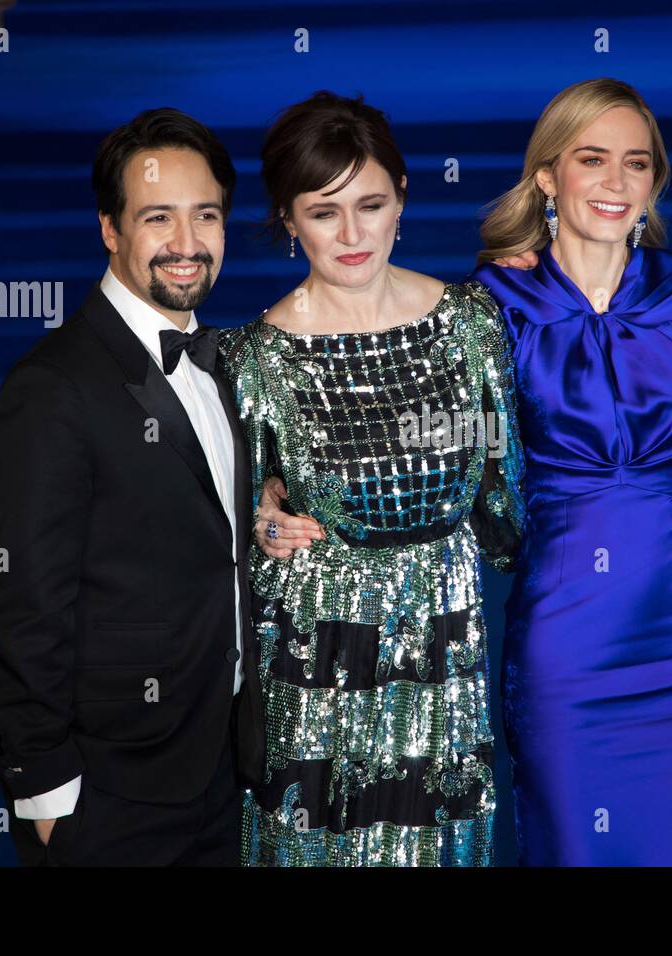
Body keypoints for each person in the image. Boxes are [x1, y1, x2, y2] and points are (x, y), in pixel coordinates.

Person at [257, 80, 672, 866]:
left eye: (636, 163)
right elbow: (395, 440)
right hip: (566, 638)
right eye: (592, 159)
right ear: (548, 175)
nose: (617, 183)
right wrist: (273, 494)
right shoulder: (494, 303)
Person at [217, 91, 524, 866]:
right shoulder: (252, 359)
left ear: (402, 200)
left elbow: (509, 503)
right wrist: (257, 522)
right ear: (289, 220)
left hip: (442, 671)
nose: (352, 234)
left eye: (371, 204)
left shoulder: (472, 325)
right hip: (316, 674)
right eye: (324, 212)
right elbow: (224, 525)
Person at [0, 108, 263, 866]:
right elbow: (29, 601)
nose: (185, 243)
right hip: (112, 791)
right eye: (157, 218)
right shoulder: (52, 388)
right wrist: (47, 795)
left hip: (223, 765)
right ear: (110, 230)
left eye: (205, 215)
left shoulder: (224, 362)